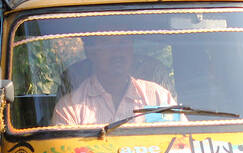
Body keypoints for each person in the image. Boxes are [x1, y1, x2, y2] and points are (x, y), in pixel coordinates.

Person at [51, 33, 180, 125]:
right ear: (90, 52)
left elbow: (179, 145)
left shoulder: (157, 98)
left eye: (123, 42)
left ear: (131, 48)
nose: (117, 51)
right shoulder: (71, 108)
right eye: (107, 43)